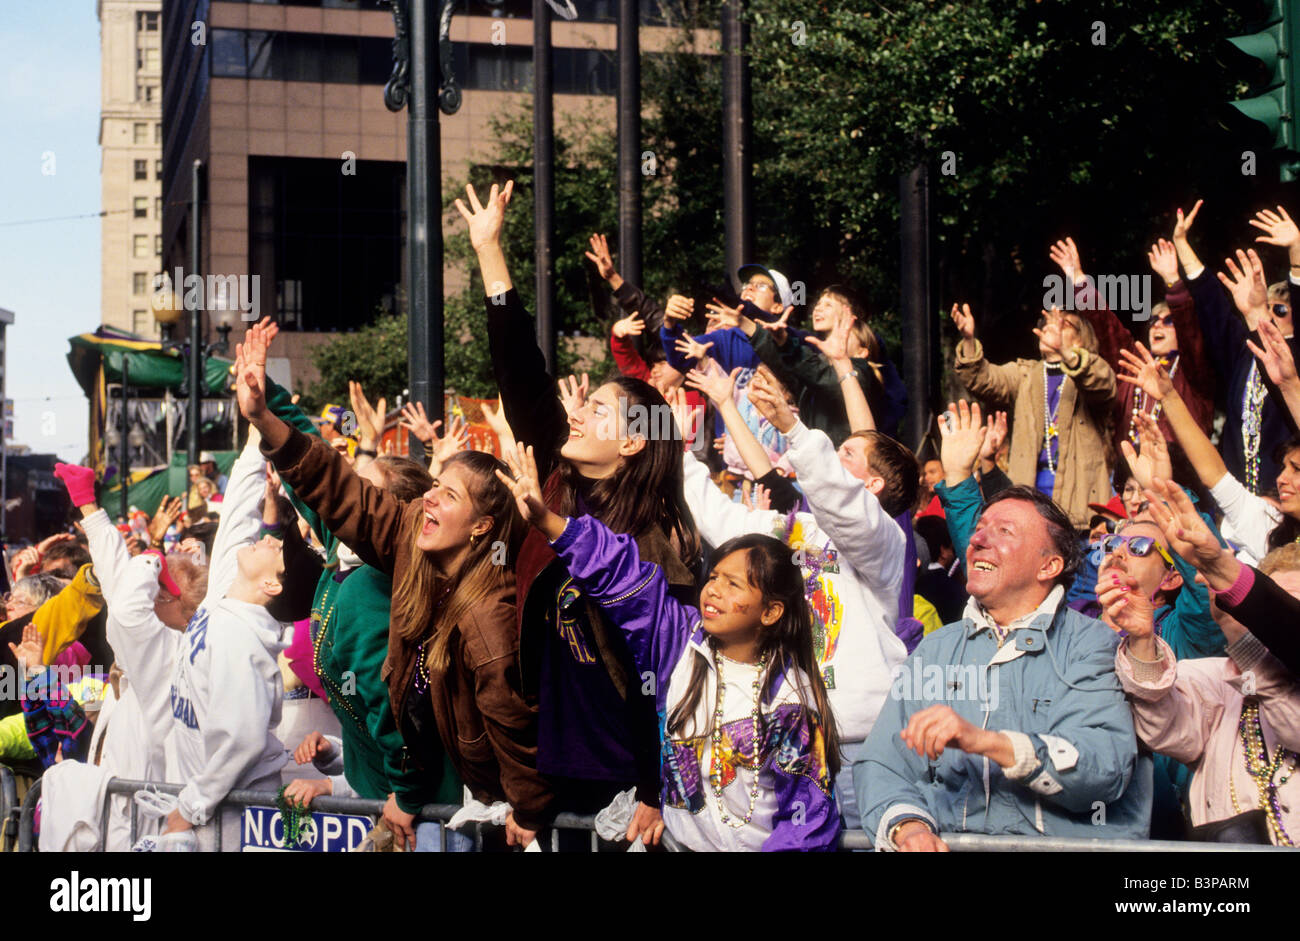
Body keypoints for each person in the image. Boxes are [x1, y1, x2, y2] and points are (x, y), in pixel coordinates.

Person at [238, 319, 553, 851]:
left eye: (448, 495)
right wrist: (265, 409)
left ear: (480, 526)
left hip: (461, 809)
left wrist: (526, 805)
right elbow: (334, 486)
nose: (429, 499)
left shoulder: (486, 612)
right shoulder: (406, 538)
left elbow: (510, 717)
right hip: (418, 797)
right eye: (432, 488)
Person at [463, 179, 695, 846]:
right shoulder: (558, 488)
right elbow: (521, 375)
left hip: (632, 792)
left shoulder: (657, 540)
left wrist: (654, 788)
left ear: (631, 442)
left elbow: (670, 670)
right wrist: (490, 252)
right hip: (563, 782)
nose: (578, 411)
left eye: (598, 408)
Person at [498, 442, 841, 851]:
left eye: (733, 585)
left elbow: (806, 821)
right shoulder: (680, 641)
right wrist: (549, 521)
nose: (712, 590)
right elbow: (620, 574)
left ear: (771, 612)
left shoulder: (790, 699)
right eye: (713, 577)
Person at [679, 359, 913, 829]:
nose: (828, 458)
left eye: (845, 453)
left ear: (872, 485)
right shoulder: (791, 529)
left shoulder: (885, 542)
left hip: (858, 748)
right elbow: (720, 520)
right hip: (787, 742)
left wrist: (794, 429)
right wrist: (675, 449)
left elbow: (845, 506)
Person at [856, 485, 1152, 850]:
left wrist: (986, 742)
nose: (978, 538)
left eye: (1004, 531)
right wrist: (909, 826)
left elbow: (1104, 767)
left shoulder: (1091, 644)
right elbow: (883, 764)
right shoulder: (936, 649)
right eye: (980, 528)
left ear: (1049, 565)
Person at [157, 403, 318, 851]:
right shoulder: (224, 600)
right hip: (206, 814)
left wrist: (188, 807)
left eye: (277, 548)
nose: (269, 536)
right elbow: (235, 518)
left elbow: (243, 740)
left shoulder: (244, 640)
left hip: (227, 824)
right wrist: (255, 427)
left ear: (270, 583)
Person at [50, 460, 208, 849]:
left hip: (143, 817)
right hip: (123, 798)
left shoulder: (168, 652)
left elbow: (125, 607)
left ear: (167, 596)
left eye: (159, 584)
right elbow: (118, 581)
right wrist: (88, 505)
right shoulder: (156, 646)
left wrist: (152, 556)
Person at [1050, 235, 1215, 478]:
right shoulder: (1131, 366)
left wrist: (1173, 282)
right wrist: (1077, 279)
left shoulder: (1193, 371)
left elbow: (1190, 332)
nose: (1157, 326)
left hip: (1182, 479)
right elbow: (1106, 327)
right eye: (1153, 321)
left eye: (1168, 321)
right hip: (1129, 477)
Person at [951, 301, 1116, 528]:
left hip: (1080, 510)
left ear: (1080, 340)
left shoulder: (1092, 373)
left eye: (1062, 324)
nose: (1050, 326)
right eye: (1046, 323)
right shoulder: (1025, 375)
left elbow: (1103, 383)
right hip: (1029, 505)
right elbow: (983, 379)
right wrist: (969, 340)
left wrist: (1067, 354)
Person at [1174, 201, 1300, 493]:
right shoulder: (1247, 351)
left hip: (1284, 497)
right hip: (1236, 497)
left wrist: (1295, 252)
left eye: (1280, 309)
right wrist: (1181, 244)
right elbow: (1213, 307)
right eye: (1268, 308)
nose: (1271, 315)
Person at [737, 285, 907, 444]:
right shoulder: (816, 373)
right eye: (817, 304)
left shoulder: (861, 373)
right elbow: (784, 365)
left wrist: (786, 344)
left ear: (862, 352)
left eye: (828, 305)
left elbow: (818, 374)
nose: (817, 308)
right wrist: (744, 324)